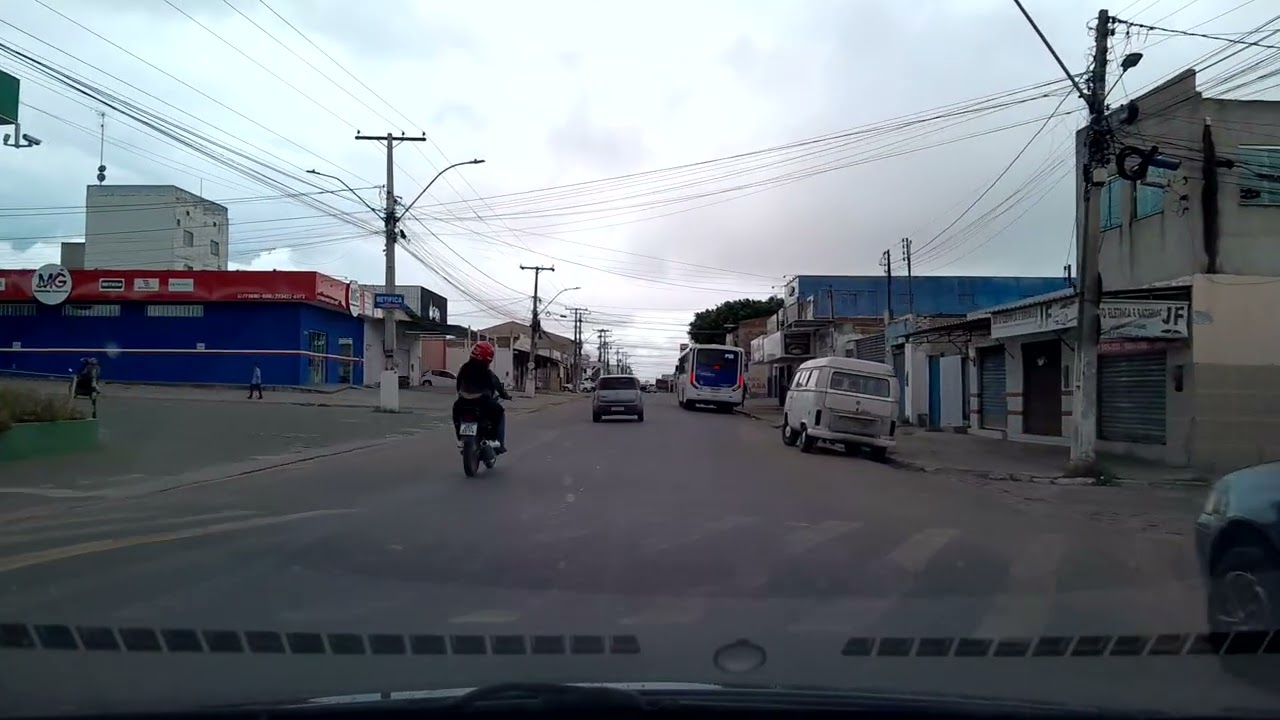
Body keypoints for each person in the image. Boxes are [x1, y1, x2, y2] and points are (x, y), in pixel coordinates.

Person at [453, 341, 511, 453]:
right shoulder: (487, 372)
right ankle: (494, 439)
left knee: (456, 414)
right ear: (489, 358)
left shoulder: (464, 368)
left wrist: (461, 395)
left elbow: (458, 384)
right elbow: (497, 386)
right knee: (499, 412)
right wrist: (505, 395)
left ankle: (460, 439)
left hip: (463, 402)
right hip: (482, 402)